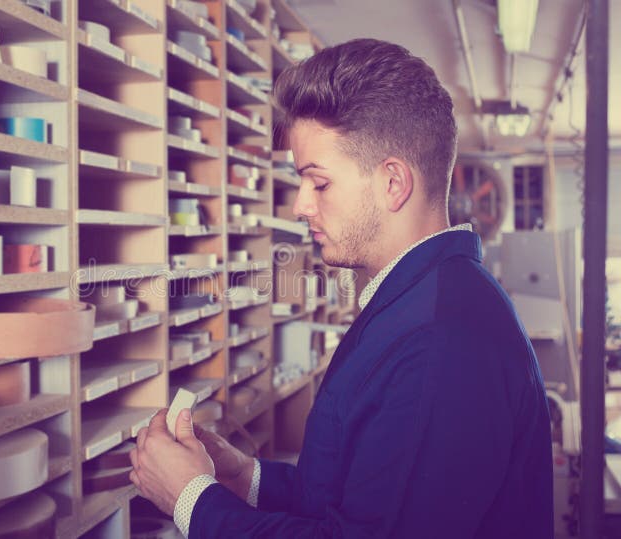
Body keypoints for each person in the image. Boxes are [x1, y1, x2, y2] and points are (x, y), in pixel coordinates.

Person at [129, 38, 554, 538]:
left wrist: (192, 501)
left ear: (393, 183)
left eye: (319, 182)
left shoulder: (439, 340)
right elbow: (366, 491)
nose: (300, 205)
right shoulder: (418, 297)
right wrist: (246, 477)